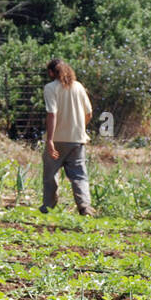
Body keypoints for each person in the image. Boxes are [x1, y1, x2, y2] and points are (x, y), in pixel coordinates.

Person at [40, 58, 95, 216]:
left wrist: (50, 140)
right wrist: (80, 129)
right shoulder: (78, 87)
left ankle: (48, 206)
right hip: (77, 139)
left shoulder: (50, 88)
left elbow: (52, 113)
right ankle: (85, 207)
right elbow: (89, 113)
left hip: (58, 139)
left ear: (51, 72)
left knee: (50, 174)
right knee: (79, 175)